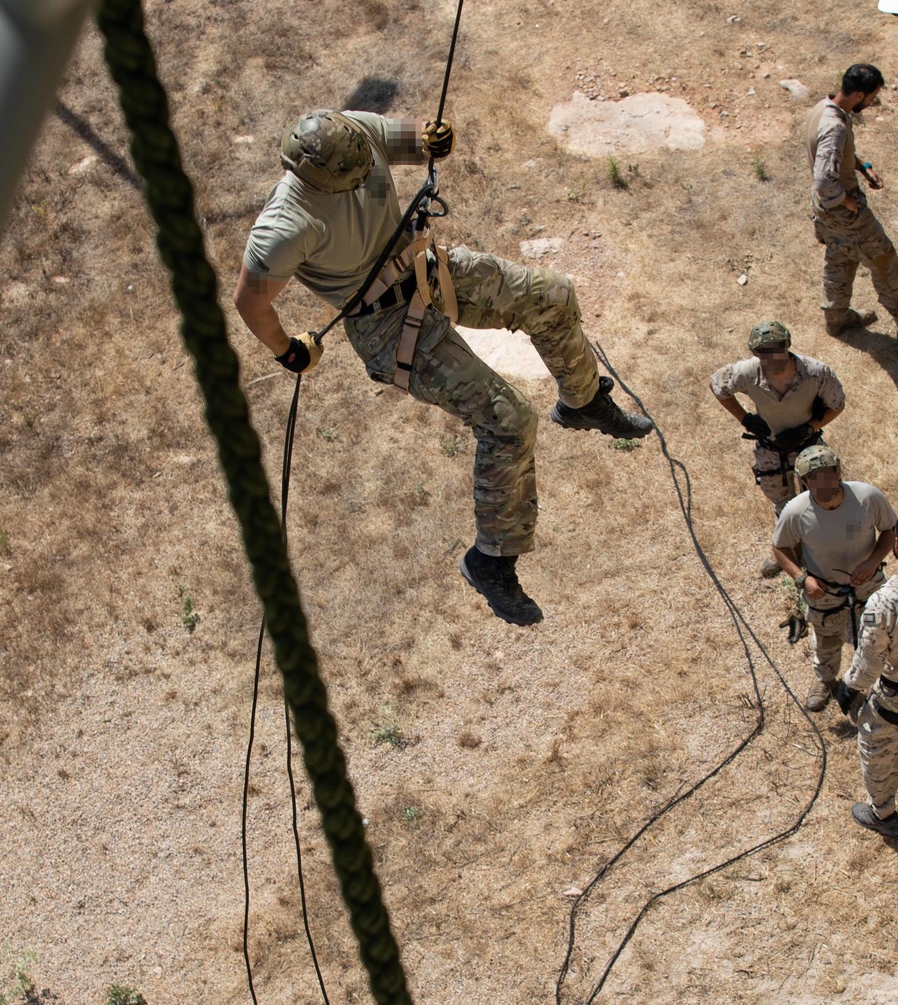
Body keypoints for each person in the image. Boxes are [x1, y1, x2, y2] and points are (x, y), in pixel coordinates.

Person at [234, 110, 652, 629]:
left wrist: (437, 139)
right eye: (353, 179)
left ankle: (583, 401)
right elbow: (250, 301)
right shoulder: (286, 224)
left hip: (426, 270)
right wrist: (288, 349)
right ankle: (491, 561)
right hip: (385, 326)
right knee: (509, 419)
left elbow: (414, 141)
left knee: (553, 296)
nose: (365, 179)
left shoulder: (353, 135)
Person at [709, 320, 845, 576]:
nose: (772, 356)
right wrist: (745, 419)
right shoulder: (747, 373)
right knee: (782, 504)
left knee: (822, 501)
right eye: (764, 351)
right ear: (755, 354)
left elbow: (837, 404)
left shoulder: (816, 373)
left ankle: (822, 553)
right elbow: (717, 386)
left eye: (777, 348)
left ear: (788, 345)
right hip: (771, 450)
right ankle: (788, 553)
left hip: (809, 448)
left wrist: (810, 428)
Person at [771, 447, 896, 710]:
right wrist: (802, 579)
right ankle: (826, 680)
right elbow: (779, 548)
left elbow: (889, 530)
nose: (822, 482)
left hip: (869, 582)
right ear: (804, 482)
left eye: (828, 474)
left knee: (887, 632)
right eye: (814, 478)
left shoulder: (867, 497)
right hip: (823, 589)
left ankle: (891, 679)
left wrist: (872, 562)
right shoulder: (796, 511)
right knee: (827, 637)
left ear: (839, 472)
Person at [834, 507, 898, 838]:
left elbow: (870, 662)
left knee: (876, 748)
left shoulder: (884, 603)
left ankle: (884, 814)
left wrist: (850, 686)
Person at [806, 63, 898, 338]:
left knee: (839, 257)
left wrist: (862, 167)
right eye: (872, 97)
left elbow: (836, 157)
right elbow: (824, 182)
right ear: (859, 94)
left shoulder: (823, 108)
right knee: (884, 260)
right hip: (846, 215)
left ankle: (836, 318)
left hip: (825, 213)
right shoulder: (834, 127)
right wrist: (847, 201)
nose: (872, 103)